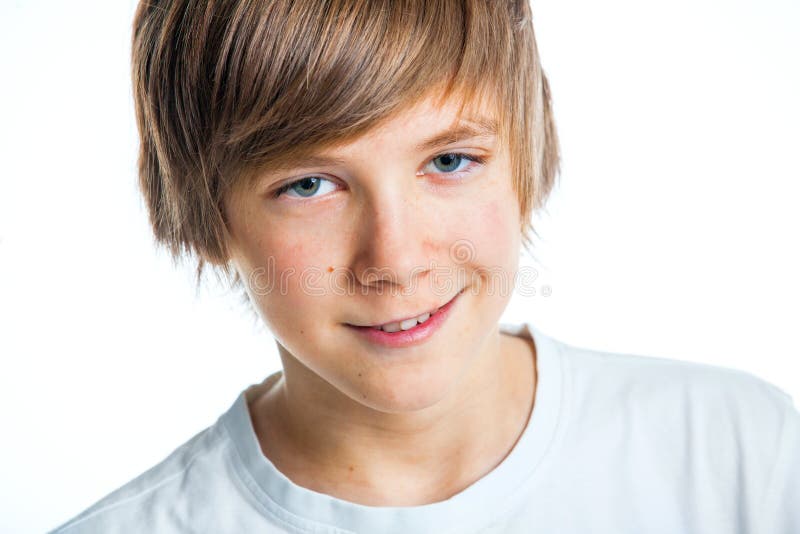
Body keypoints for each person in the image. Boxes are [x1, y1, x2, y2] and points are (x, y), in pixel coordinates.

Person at [50, 1, 799, 532]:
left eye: (449, 160)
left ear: (527, 156)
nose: (397, 258)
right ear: (207, 218)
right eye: (309, 184)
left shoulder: (738, 456)